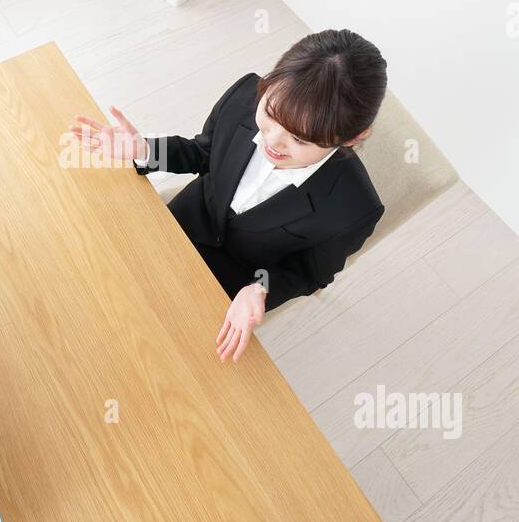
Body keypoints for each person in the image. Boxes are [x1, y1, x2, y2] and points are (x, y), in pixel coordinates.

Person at [71, 29, 387, 362]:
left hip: (230, 285)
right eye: (271, 115)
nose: (274, 142)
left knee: (144, 353)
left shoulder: (355, 208)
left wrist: (260, 289)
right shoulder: (244, 96)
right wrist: (147, 151)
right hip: (179, 225)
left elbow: (310, 271)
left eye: (301, 140)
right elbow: (203, 153)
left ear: (353, 137)